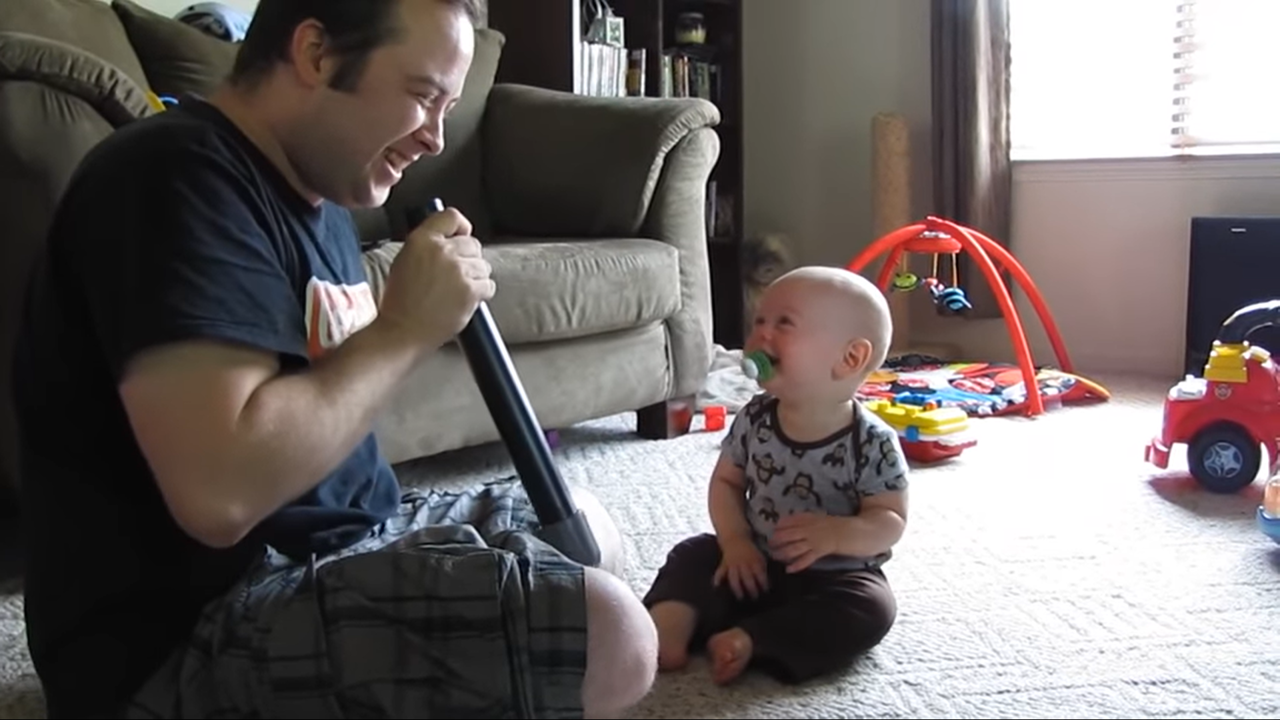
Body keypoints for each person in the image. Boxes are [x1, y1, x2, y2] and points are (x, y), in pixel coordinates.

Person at [10, 1, 657, 718]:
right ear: (316, 53)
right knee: (611, 634)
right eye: (422, 96)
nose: (436, 139)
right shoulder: (173, 178)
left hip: (337, 546)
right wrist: (405, 328)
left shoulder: (318, 200)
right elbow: (218, 494)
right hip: (184, 634)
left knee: (587, 530)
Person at [642, 266, 909, 686]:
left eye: (784, 323)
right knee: (693, 554)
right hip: (750, 564)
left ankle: (752, 639)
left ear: (850, 358)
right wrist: (735, 543)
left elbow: (889, 521)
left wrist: (837, 536)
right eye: (760, 322)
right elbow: (727, 483)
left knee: (873, 607)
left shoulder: (871, 442)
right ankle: (667, 628)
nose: (761, 334)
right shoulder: (754, 418)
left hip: (833, 578)